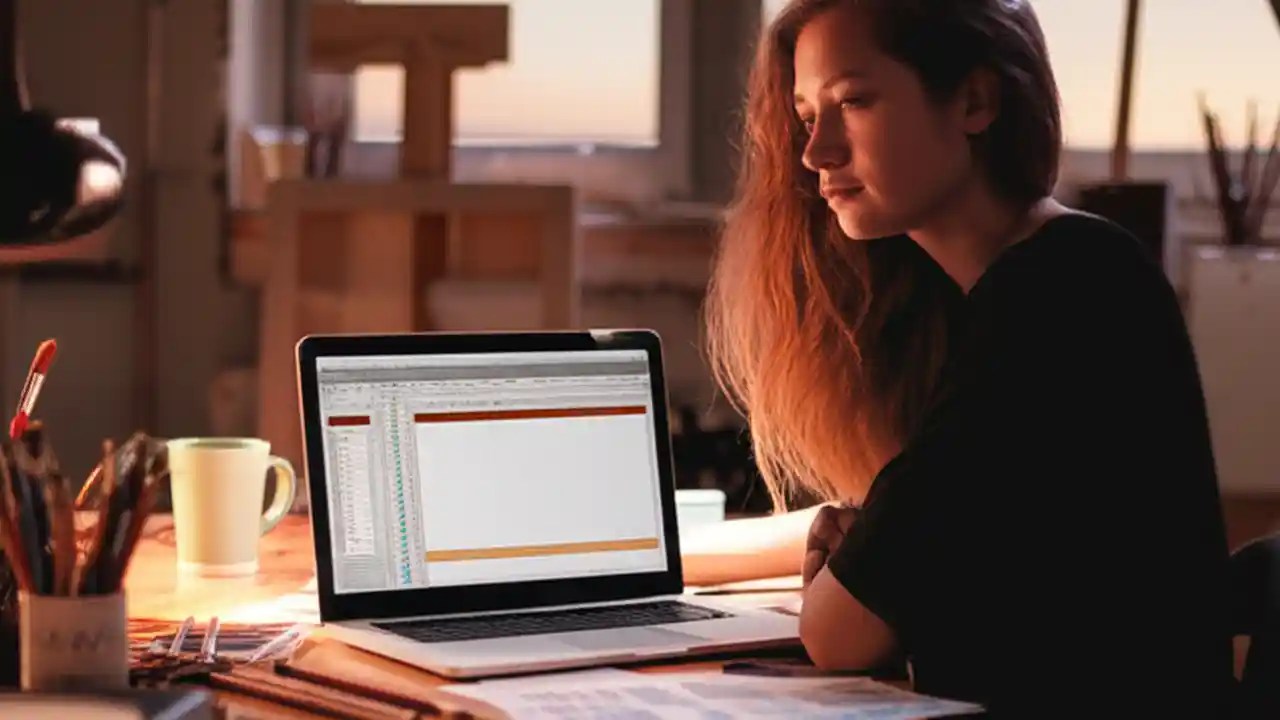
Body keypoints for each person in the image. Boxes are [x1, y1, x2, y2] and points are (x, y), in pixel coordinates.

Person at [700, 0, 1234, 715]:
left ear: (975, 101)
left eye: (854, 100)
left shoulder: (1062, 292)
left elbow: (840, 633)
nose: (816, 151)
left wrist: (850, 570)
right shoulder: (1004, 285)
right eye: (806, 117)